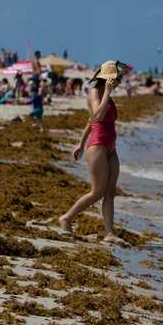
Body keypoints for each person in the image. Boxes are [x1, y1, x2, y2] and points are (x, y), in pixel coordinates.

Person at [58, 60, 127, 242]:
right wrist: (108, 93)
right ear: (107, 78)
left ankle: (109, 233)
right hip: (98, 145)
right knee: (97, 191)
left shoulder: (107, 94)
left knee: (110, 192)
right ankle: (66, 218)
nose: (119, 81)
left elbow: (90, 121)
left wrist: (79, 144)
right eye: (117, 78)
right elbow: (97, 115)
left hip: (111, 146)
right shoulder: (95, 92)